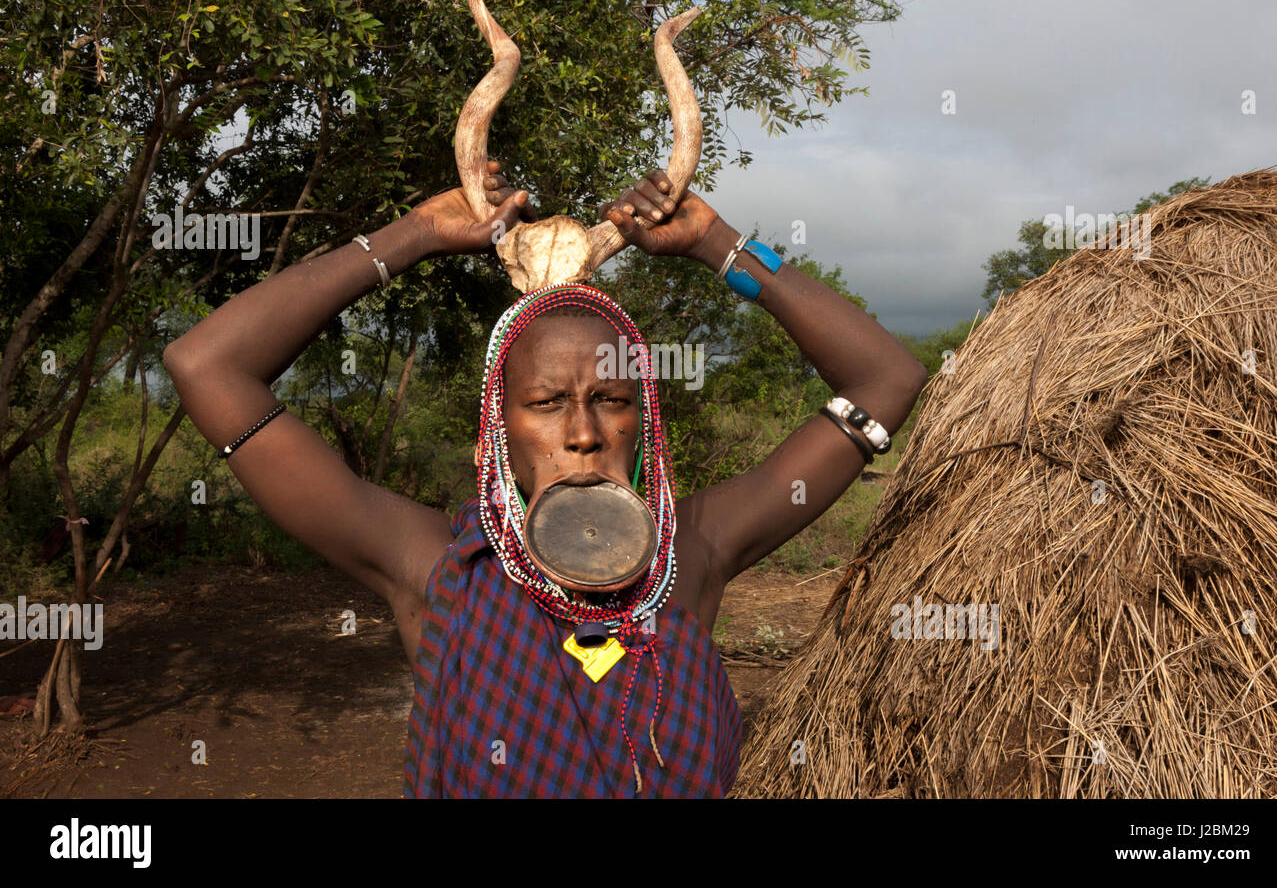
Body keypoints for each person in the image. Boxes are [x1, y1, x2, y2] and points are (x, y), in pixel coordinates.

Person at [163, 163, 928, 797]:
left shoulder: (690, 553)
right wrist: (414, 236)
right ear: (500, 423)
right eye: (546, 403)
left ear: (644, 416)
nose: (584, 431)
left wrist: (718, 244)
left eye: (612, 399)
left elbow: (887, 379)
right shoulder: (434, 566)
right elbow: (206, 367)